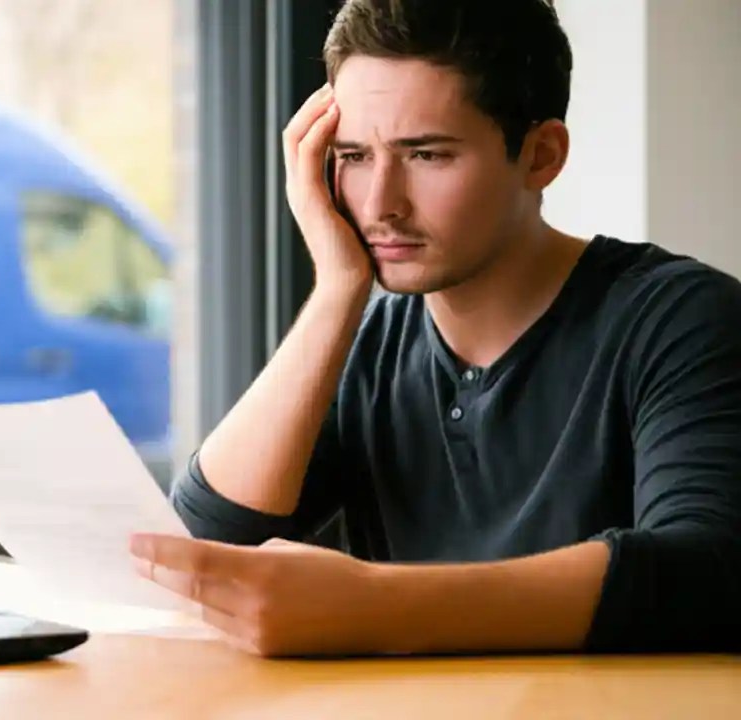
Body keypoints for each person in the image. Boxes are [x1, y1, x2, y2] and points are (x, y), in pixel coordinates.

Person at [130, 0, 741, 656]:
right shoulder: (363, 338)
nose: (380, 204)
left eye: (426, 155)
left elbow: (708, 571)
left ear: (540, 156)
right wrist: (338, 291)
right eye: (353, 156)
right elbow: (197, 554)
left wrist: (376, 605)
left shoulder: (683, 318)